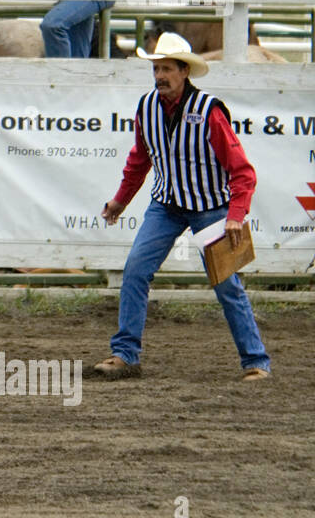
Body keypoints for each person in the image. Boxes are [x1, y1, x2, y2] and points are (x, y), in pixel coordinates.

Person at [96, 33, 271, 382]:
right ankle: (124, 353)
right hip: (166, 204)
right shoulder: (147, 108)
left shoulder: (210, 112)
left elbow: (242, 172)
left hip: (210, 206)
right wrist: (120, 200)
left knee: (226, 285)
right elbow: (140, 160)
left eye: (166, 69)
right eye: (156, 68)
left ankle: (256, 360)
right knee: (134, 271)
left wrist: (235, 216)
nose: (160, 75)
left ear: (184, 72)